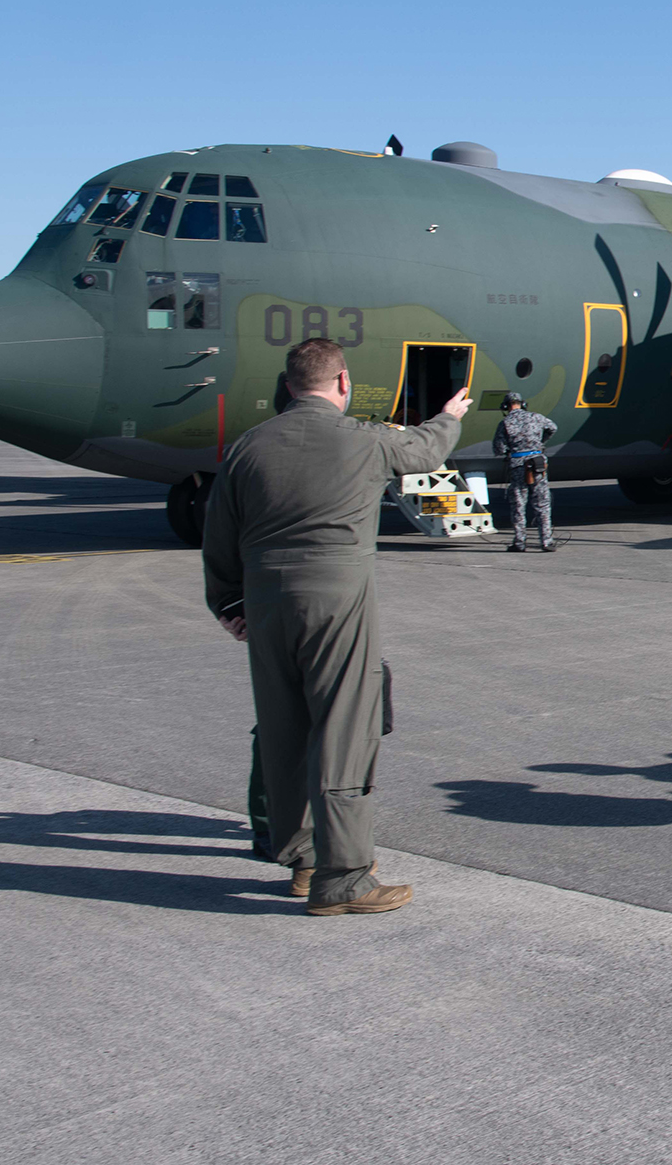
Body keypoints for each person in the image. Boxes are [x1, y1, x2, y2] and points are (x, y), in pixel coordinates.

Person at [202, 337, 471, 915]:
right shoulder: (364, 441)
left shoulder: (248, 447)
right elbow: (424, 452)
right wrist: (448, 416)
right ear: (343, 383)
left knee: (283, 728)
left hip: (265, 603)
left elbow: (218, 535)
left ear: (290, 383)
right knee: (345, 728)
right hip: (336, 601)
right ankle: (343, 877)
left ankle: (300, 859)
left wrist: (229, 605)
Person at [493, 390, 559, 552]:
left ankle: (520, 542)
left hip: (517, 465)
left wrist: (511, 449)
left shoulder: (506, 423)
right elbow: (552, 428)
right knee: (542, 503)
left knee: (518, 504)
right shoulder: (536, 417)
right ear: (523, 404)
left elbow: (499, 449)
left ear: (506, 406)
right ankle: (546, 541)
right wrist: (540, 442)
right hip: (537, 464)